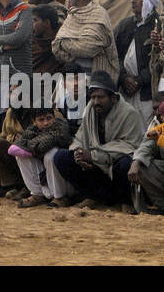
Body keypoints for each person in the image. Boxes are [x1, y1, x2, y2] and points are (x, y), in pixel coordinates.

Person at [50, 71, 143, 210]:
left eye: (100, 97)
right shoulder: (90, 109)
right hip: (97, 164)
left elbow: (129, 146)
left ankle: (125, 202)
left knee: (125, 163)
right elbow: (80, 137)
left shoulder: (130, 114)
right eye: (93, 97)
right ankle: (95, 197)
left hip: (114, 165)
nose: (96, 102)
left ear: (113, 98)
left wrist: (93, 156)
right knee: (60, 157)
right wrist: (78, 153)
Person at [52, 0, 119, 81]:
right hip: (72, 79)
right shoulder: (73, 14)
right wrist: (68, 44)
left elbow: (89, 48)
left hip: (95, 80)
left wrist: (64, 43)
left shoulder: (99, 14)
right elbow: (56, 46)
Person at [8, 106, 74, 208]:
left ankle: (60, 197)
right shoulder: (31, 131)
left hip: (67, 182)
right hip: (47, 178)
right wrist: (32, 150)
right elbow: (14, 149)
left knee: (51, 154)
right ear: (34, 121)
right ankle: (37, 194)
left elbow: (46, 143)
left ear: (54, 118)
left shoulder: (60, 127)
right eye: (41, 120)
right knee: (21, 156)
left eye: (49, 118)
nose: (46, 123)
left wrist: (33, 148)